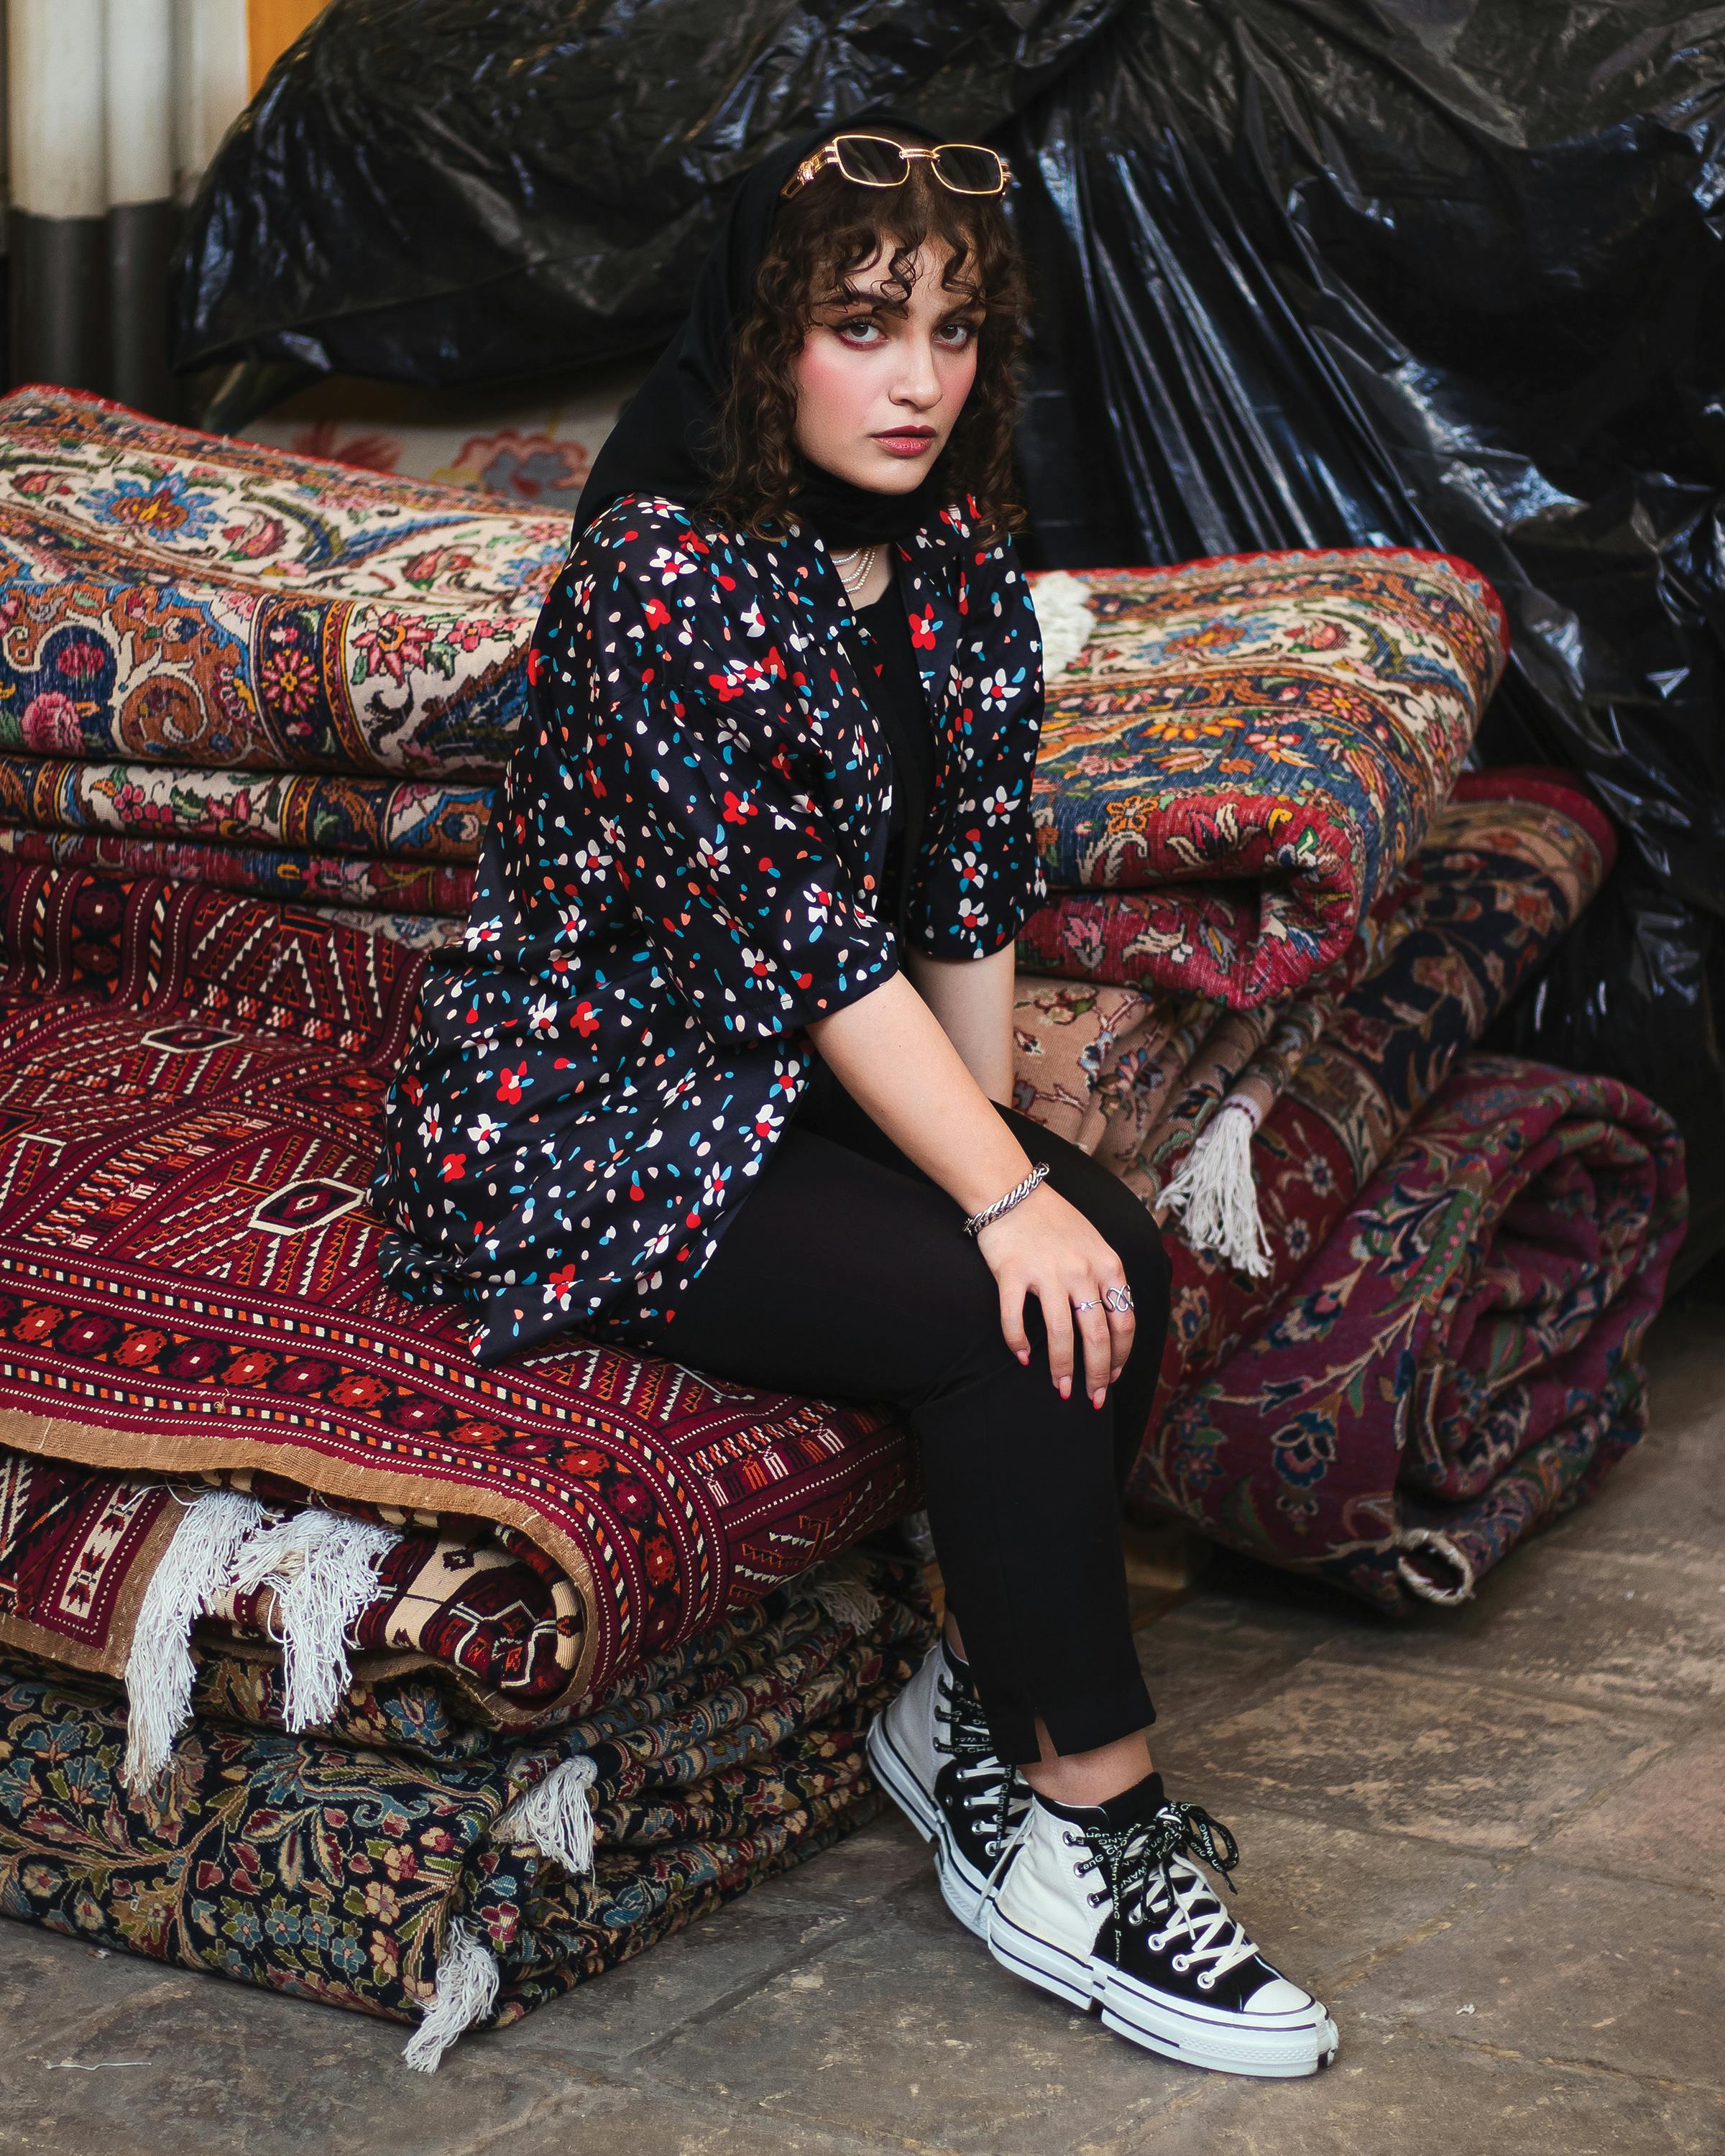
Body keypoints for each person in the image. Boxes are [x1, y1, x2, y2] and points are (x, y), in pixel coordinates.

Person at [375, 121, 1337, 2081]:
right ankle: (1083, 1828)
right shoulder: (660, 580)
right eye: (863, 325)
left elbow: (963, 893)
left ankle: (962, 1709)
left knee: (1105, 1252)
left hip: (793, 1082)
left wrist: (1015, 1172)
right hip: (587, 1118)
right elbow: (810, 940)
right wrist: (985, 1213)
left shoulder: (960, 565)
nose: (919, 380)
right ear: (761, 336)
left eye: (957, 332)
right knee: (1016, 1284)